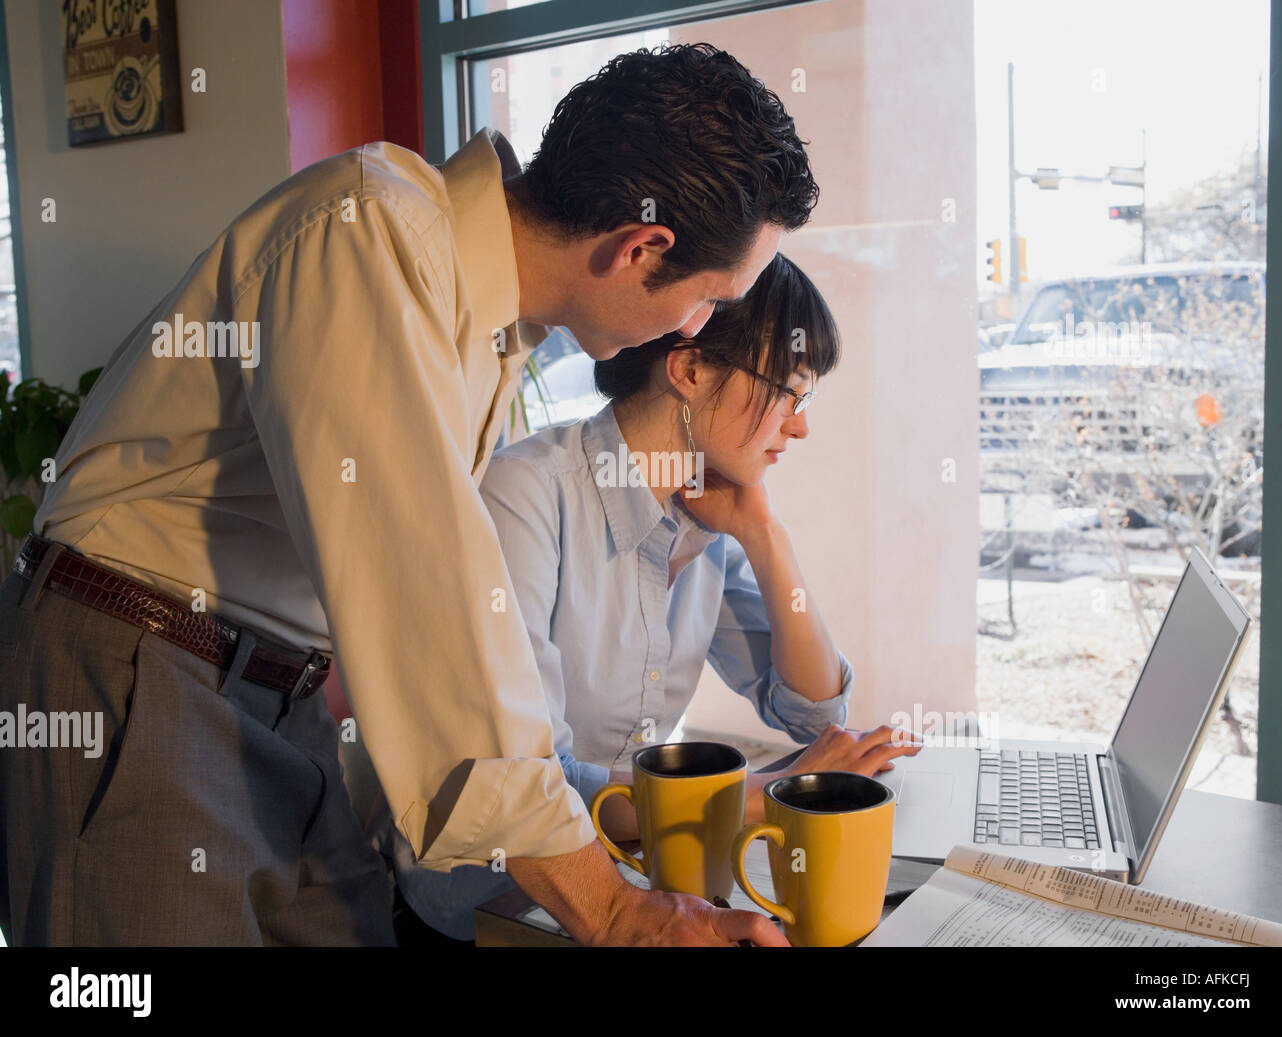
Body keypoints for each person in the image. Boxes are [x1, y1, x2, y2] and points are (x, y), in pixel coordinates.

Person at [0, 43, 818, 946]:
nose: (697, 326)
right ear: (640, 248)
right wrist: (618, 911)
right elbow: (430, 601)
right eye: (711, 299)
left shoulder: (485, 321)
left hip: (276, 694)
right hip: (136, 667)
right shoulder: (365, 235)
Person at [370, 253, 922, 942]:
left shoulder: (704, 511)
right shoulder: (528, 494)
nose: (799, 425)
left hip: (630, 877)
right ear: (689, 370)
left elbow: (813, 710)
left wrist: (765, 535)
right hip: (497, 901)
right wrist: (759, 800)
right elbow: (533, 781)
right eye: (789, 391)